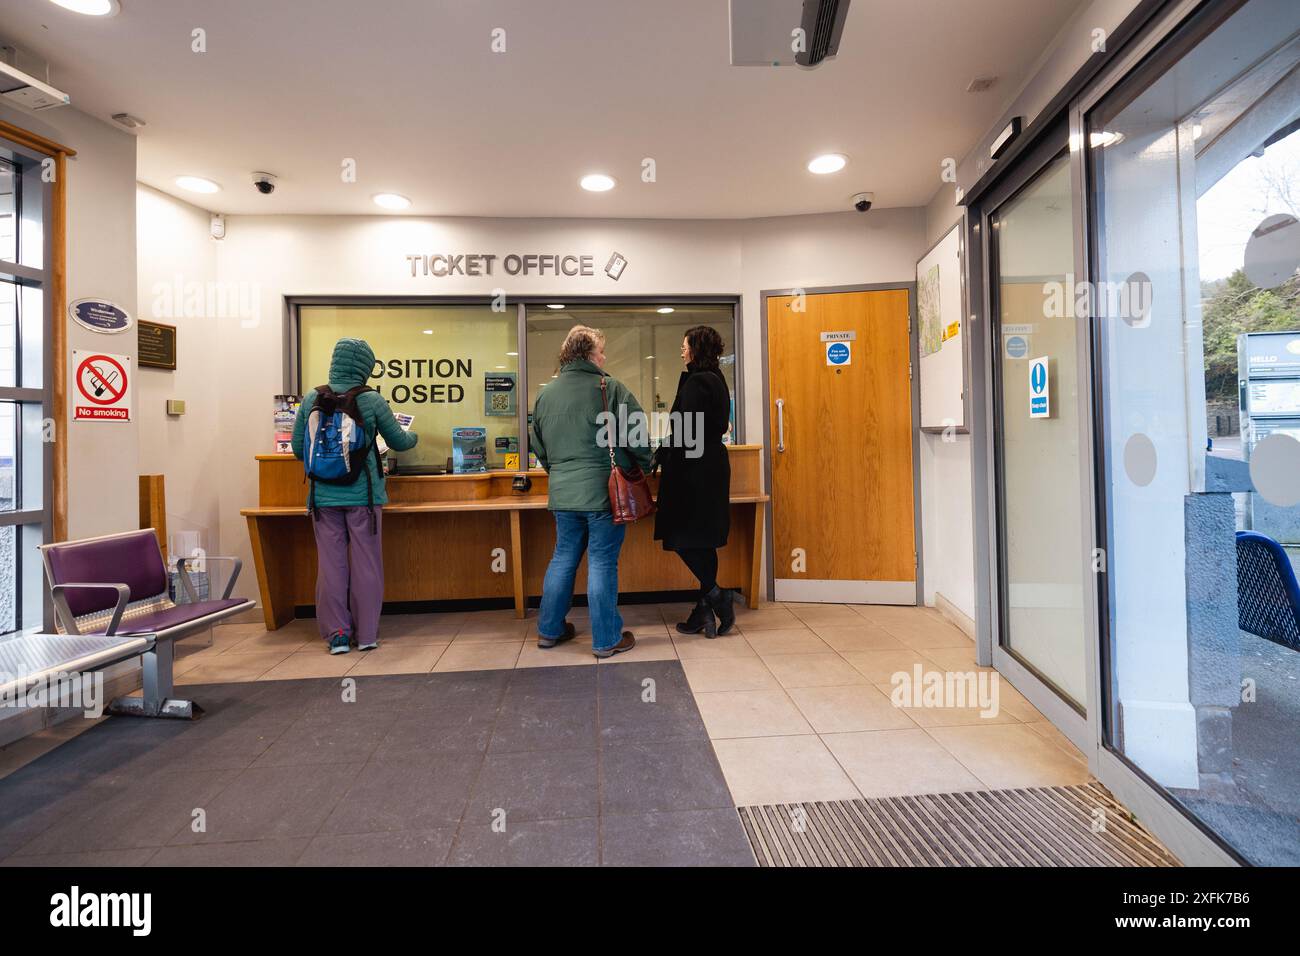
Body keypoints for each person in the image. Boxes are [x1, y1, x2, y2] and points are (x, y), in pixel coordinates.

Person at [530, 325, 653, 658]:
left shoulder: (546, 393)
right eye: (601, 351)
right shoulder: (609, 388)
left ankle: (549, 630)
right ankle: (606, 639)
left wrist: (559, 474)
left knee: (563, 558)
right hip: (603, 494)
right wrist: (646, 464)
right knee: (601, 562)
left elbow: (539, 446)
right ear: (587, 354)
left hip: (563, 494)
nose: (604, 357)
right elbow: (637, 434)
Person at [291, 337, 418, 654]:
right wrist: (414, 434)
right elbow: (400, 442)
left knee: (331, 566)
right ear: (364, 367)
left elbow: (297, 449)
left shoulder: (312, 398)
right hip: (364, 497)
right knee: (366, 564)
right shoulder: (370, 400)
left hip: (323, 500)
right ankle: (367, 636)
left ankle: (337, 636)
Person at [654, 325, 734, 638]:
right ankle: (704, 609)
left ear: (696, 348)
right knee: (702, 538)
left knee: (682, 536)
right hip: (709, 467)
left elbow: (688, 432)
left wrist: (664, 451)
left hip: (694, 472)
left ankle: (716, 595)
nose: (681, 350)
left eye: (685, 345)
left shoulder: (698, 382)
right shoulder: (715, 379)